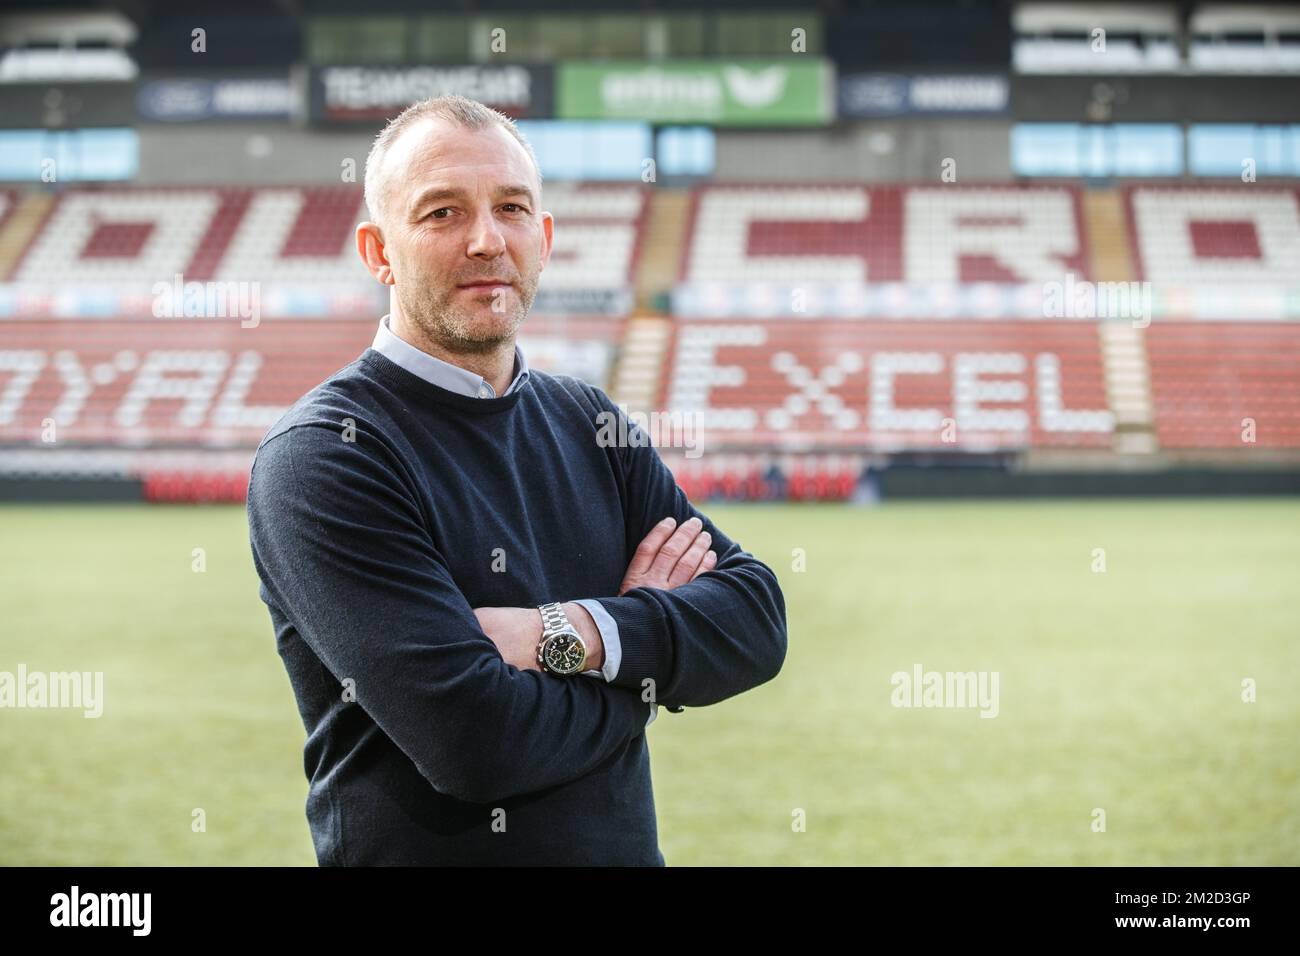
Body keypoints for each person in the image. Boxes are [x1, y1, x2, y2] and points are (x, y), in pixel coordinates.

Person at [246, 94, 788, 865]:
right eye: (441, 213)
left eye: (512, 208)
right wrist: (644, 666)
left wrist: (563, 637)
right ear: (377, 251)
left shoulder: (588, 422)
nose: (486, 240)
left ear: (546, 237)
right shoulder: (327, 455)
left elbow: (756, 621)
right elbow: (478, 744)